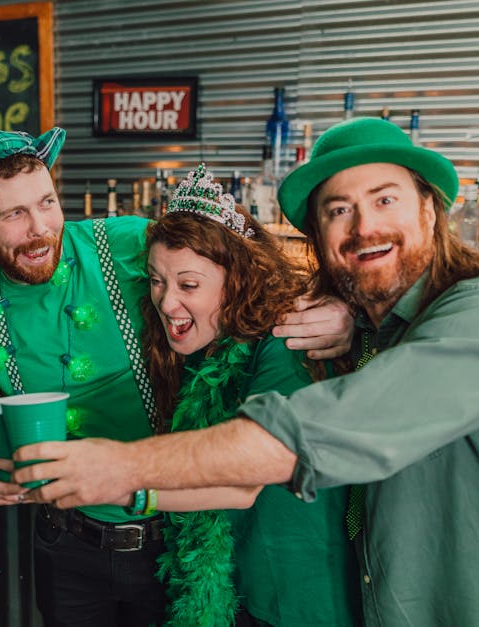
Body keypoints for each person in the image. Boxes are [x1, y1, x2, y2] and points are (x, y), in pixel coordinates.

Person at [14, 117, 479, 625]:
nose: (363, 225)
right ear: (317, 236)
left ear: (431, 206)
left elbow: (311, 434)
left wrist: (117, 469)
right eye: (338, 210)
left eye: (384, 199)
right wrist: (354, 319)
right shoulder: (374, 327)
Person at [0, 114, 354, 626]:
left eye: (47, 203)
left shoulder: (131, 243)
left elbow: (239, 264)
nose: (40, 228)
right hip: (64, 543)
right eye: (13, 215)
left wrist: (340, 306)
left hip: (175, 537)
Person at [138, 164, 358, 626]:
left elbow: (243, 478)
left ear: (237, 280)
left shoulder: (285, 343)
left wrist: (113, 484)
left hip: (298, 591)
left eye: (188, 285)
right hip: (243, 583)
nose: (166, 301)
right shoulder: (202, 344)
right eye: (157, 280)